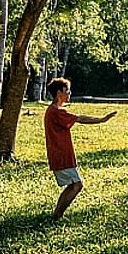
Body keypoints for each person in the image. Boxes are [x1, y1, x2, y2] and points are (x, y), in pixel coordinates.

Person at [44, 77, 117, 220]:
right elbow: (80, 118)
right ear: (59, 93)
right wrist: (101, 119)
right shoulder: (57, 111)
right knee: (77, 185)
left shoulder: (54, 110)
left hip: (60, 154)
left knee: (73, 185)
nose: (69, 93)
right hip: (61, 155)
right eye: (67, 91)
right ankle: (57, 215)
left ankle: (57, 214)